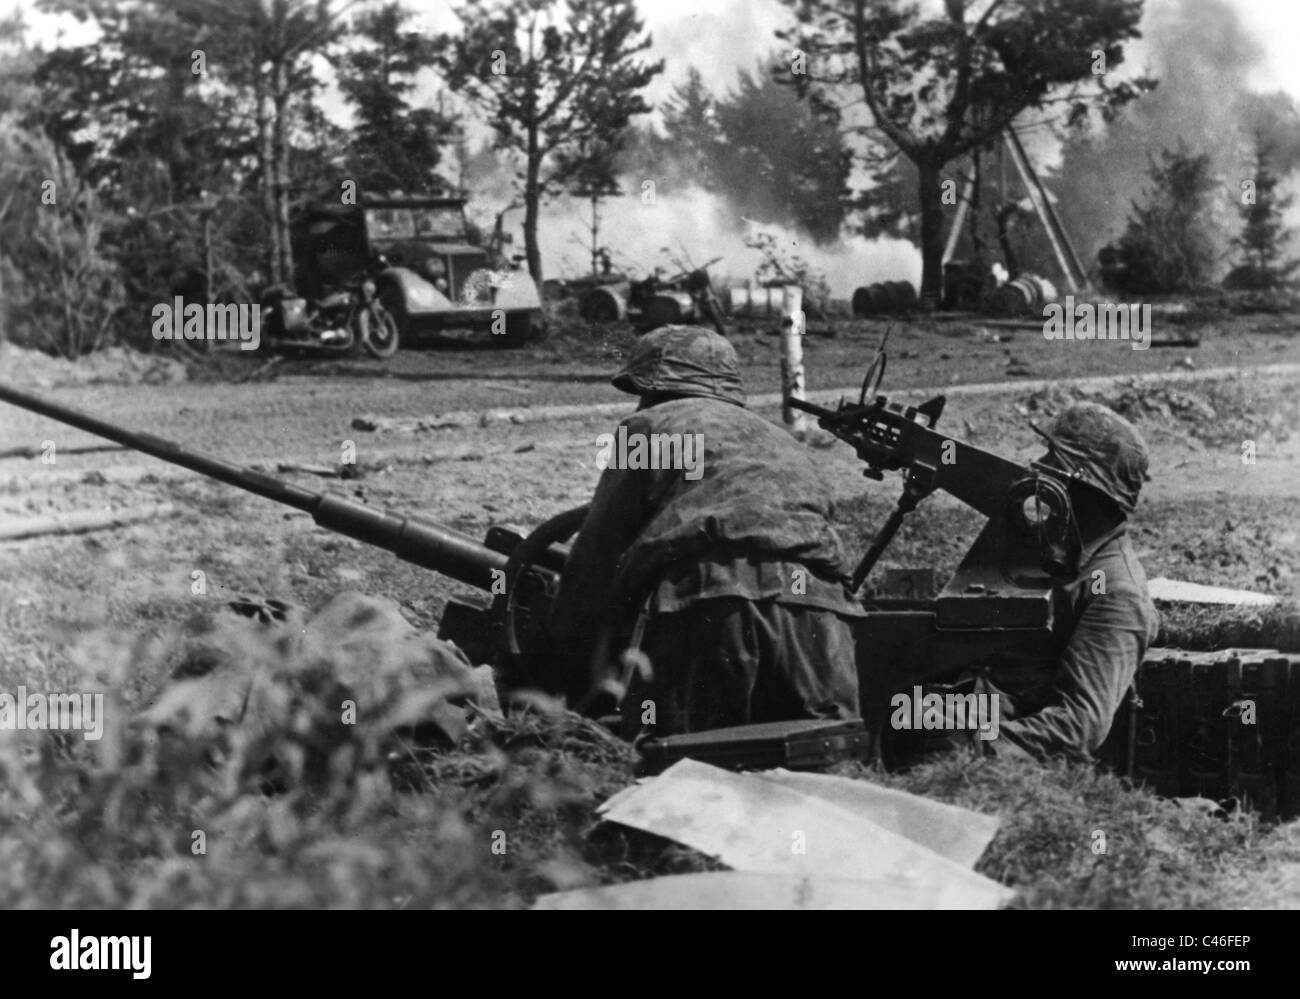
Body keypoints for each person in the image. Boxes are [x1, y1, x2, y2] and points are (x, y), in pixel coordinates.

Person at [548, 325, 863, 739]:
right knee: (825, 761)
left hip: (712, 604)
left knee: (685, 770)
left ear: (653, 387)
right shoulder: (783, 441)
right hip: (819, 609)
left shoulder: (647, 427)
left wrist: (560, 673)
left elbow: (595, 562)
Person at [974, 402, 1160, 761]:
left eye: (1052, 458)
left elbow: (1077, 726)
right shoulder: (1056, 546)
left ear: (1083, 483)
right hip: (977, 702)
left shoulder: (1119, 596)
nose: (1037, 466)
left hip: (1001, 740)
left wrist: (975, 752)